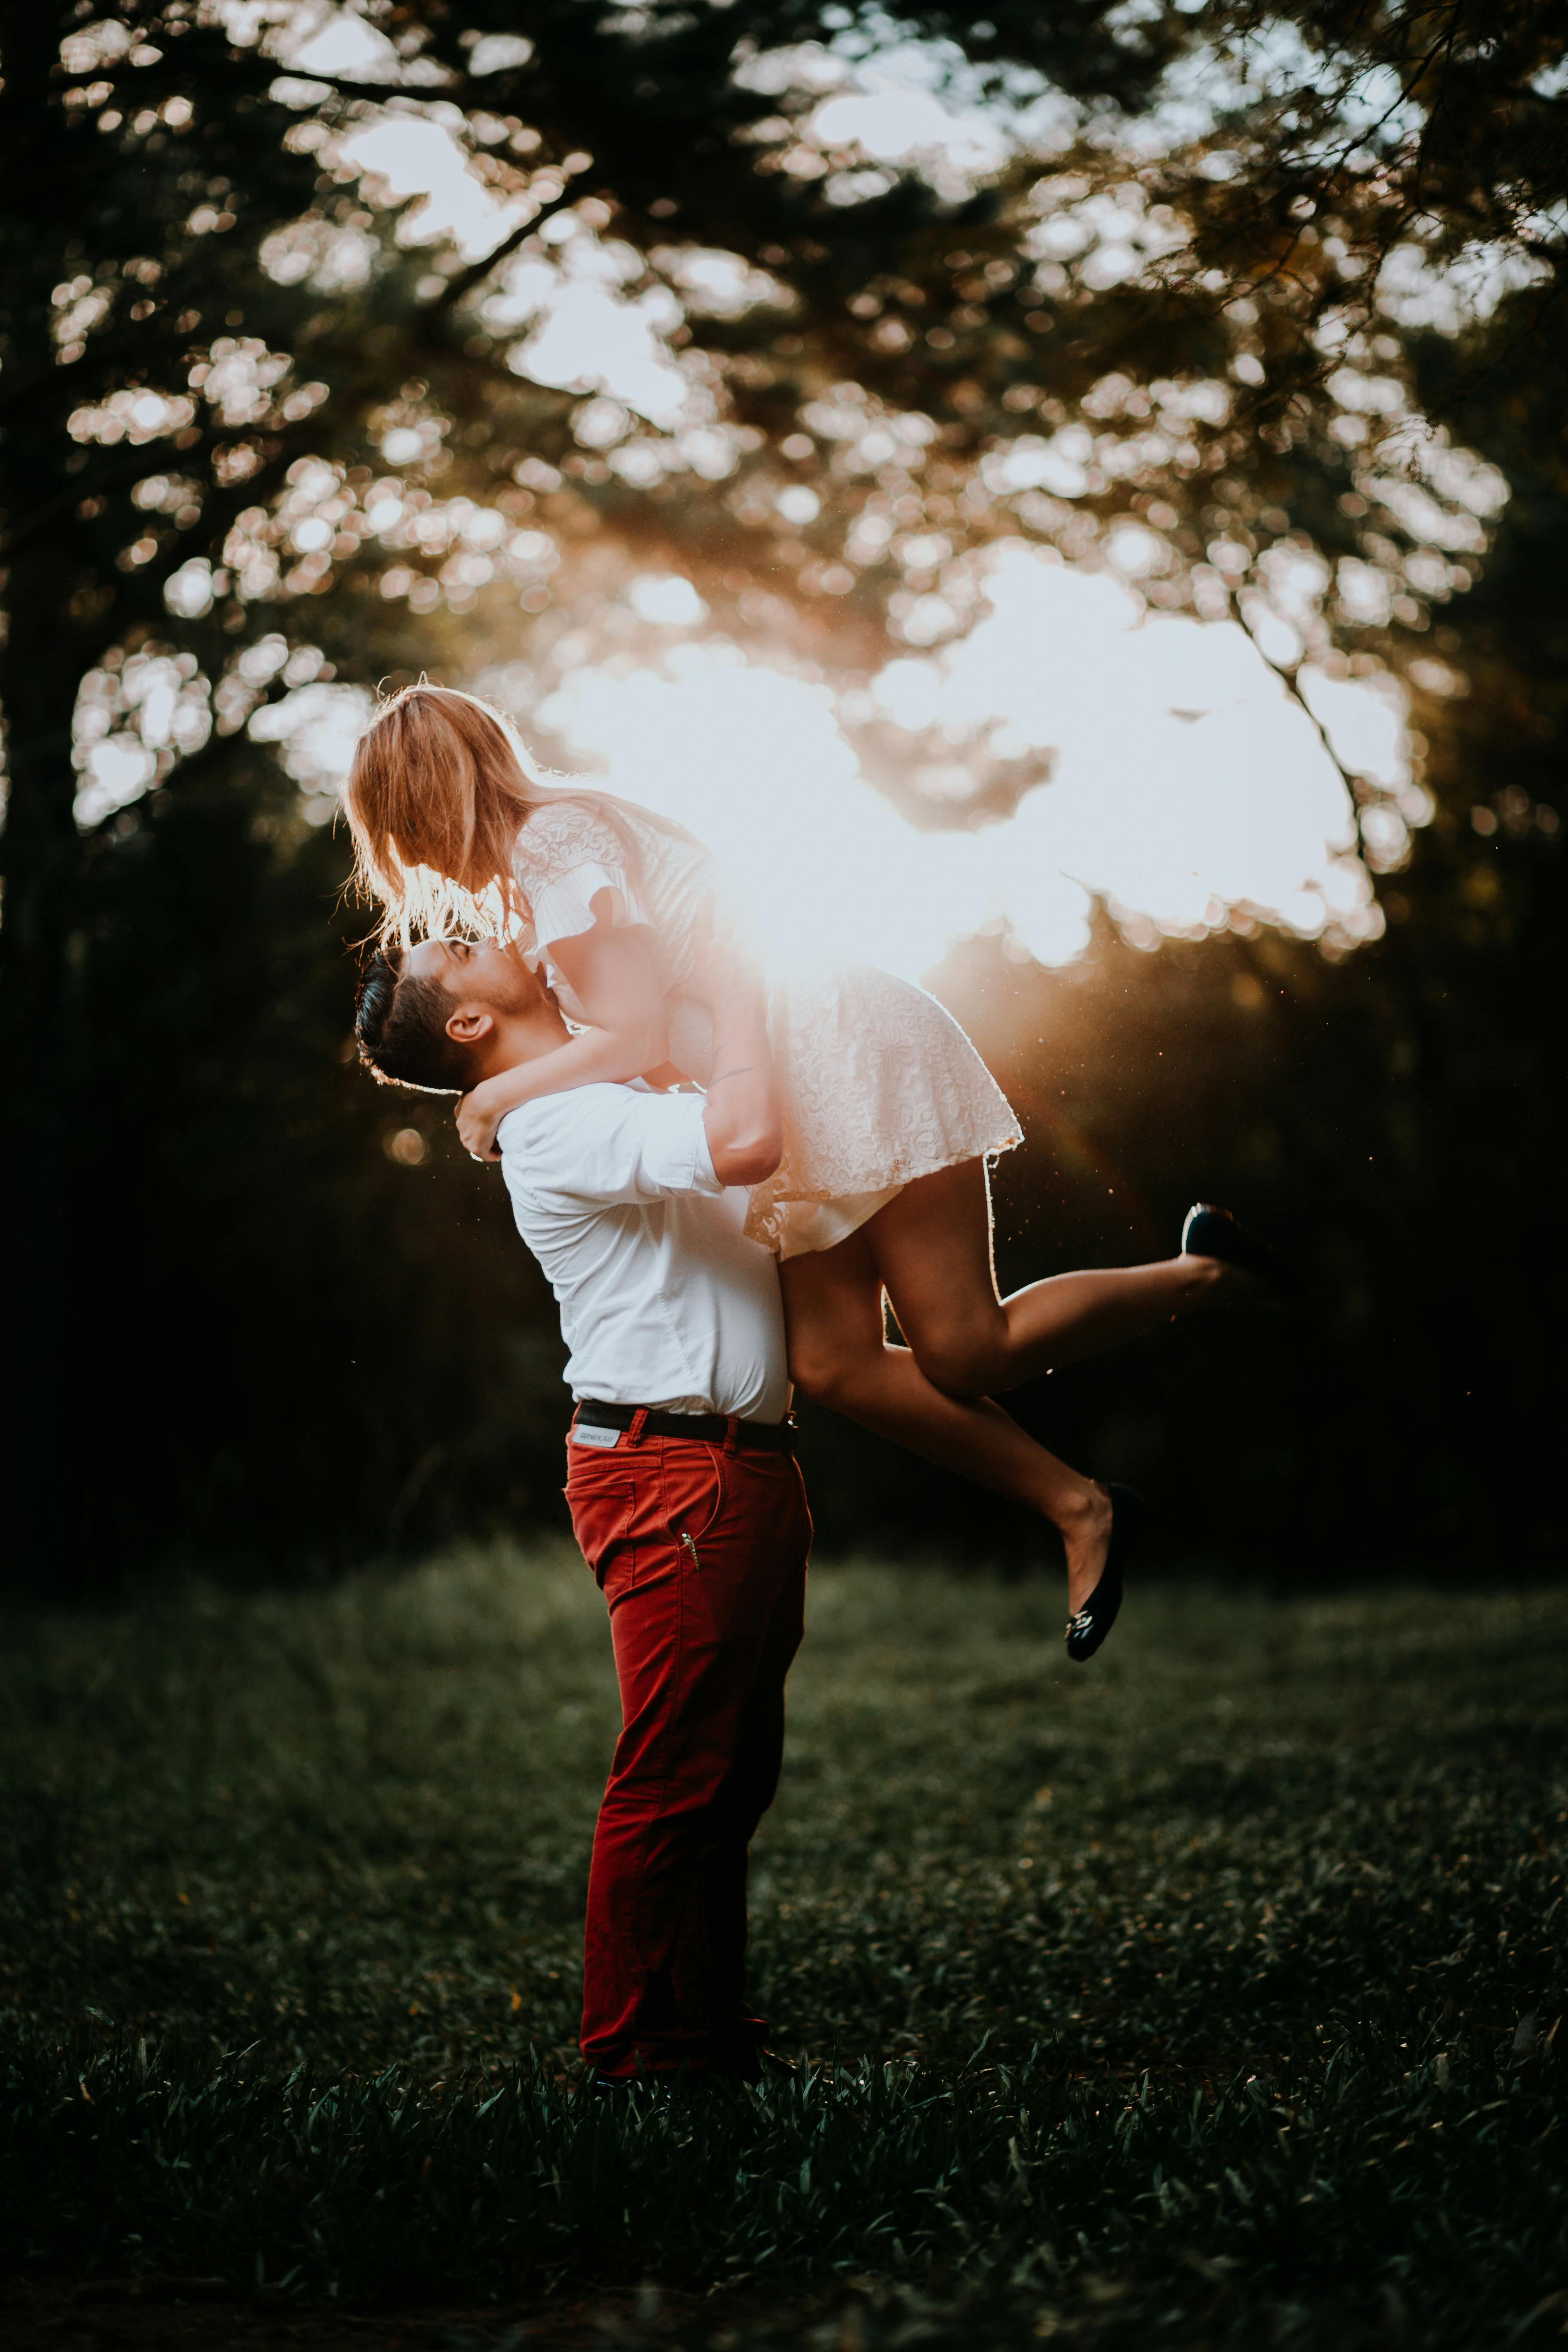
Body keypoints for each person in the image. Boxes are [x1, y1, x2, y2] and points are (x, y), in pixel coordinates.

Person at [344, 684, 1286, 1660]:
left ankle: (1203, 1282)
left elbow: (637, 1033)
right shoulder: (540, 864)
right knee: (832, 1361)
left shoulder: (554, 847)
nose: (412, 864)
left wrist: (494, 1098)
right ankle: (1084, 1505)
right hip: (780, 1075)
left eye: (402, 835)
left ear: (428, 801)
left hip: (835, 1049)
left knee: (967, 1346)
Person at [354, 923, 802, 2085]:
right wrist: (744, 990)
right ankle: (638, 2061)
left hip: (734, 1462)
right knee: (675, 1771)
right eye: (451, 946)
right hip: (671, 1468)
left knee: (734, 1767)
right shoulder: (556, 1119)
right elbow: (747, 1138)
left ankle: (707, 2038)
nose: (482, 926)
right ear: (467, 1022)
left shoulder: (600, 1088)